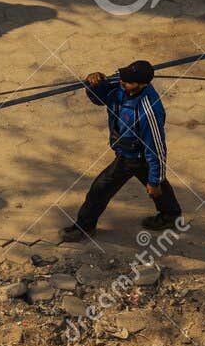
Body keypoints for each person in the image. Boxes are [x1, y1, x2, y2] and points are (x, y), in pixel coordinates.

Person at [60, 60, 182, 242]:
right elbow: (99, 98)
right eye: (122, 78)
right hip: (125, 149)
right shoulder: (120, 82)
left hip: (134, 157)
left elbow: (156, 148)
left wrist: (154, 180)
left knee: (100, 190)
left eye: (128, 81)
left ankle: (84, 227)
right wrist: (93, 82)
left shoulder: (148, 111)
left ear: (142, 85)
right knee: (156, 185)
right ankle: (171, 216)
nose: (122, 82)